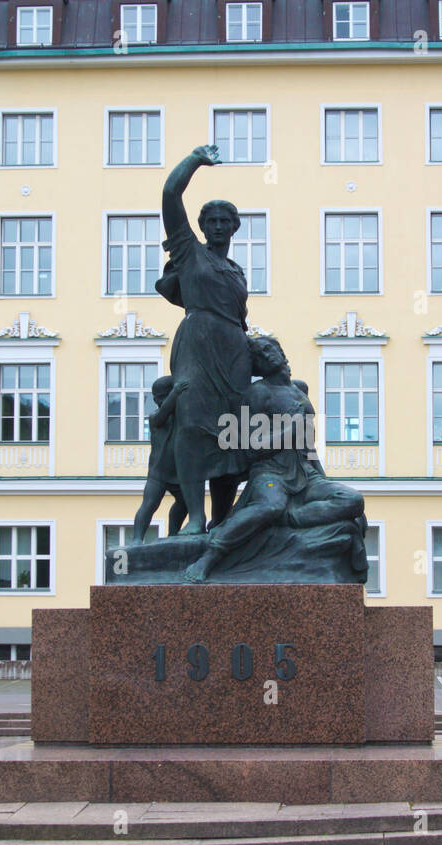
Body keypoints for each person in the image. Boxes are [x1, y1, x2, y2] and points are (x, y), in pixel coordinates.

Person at [184, 337, 366, 583]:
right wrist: (290, 430)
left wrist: (322, 479)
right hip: (270, 473)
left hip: (305, 473)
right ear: (257, 366)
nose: (266, 356)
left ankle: (289, 518)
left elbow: (309, 444)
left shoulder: (299, 391)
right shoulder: (259, 393)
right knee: (270, 505)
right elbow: (248, 447)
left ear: (281, 351)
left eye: (269, 349)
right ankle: (210, 557)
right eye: (259, 356)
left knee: (352, 500)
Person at [157, 144, 250, 534]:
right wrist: (195, 159)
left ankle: (222, 518)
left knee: (234, 434)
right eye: (209, 219)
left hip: (234, 348)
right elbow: (169, 194)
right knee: (193, 424)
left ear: (233, 227)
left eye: (222, 220)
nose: (215, 225)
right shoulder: (189, 252)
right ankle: (196, 516)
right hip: (197, 340)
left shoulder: (235, 269)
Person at [132, 376, 190, 544]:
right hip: (159, 473)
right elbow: (164, 412)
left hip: (178, 473)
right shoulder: (156, 417)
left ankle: (173, 534)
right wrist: (176, 392)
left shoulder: (181, 416)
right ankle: (137, 539)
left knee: (185, 503)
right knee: (149, 505)